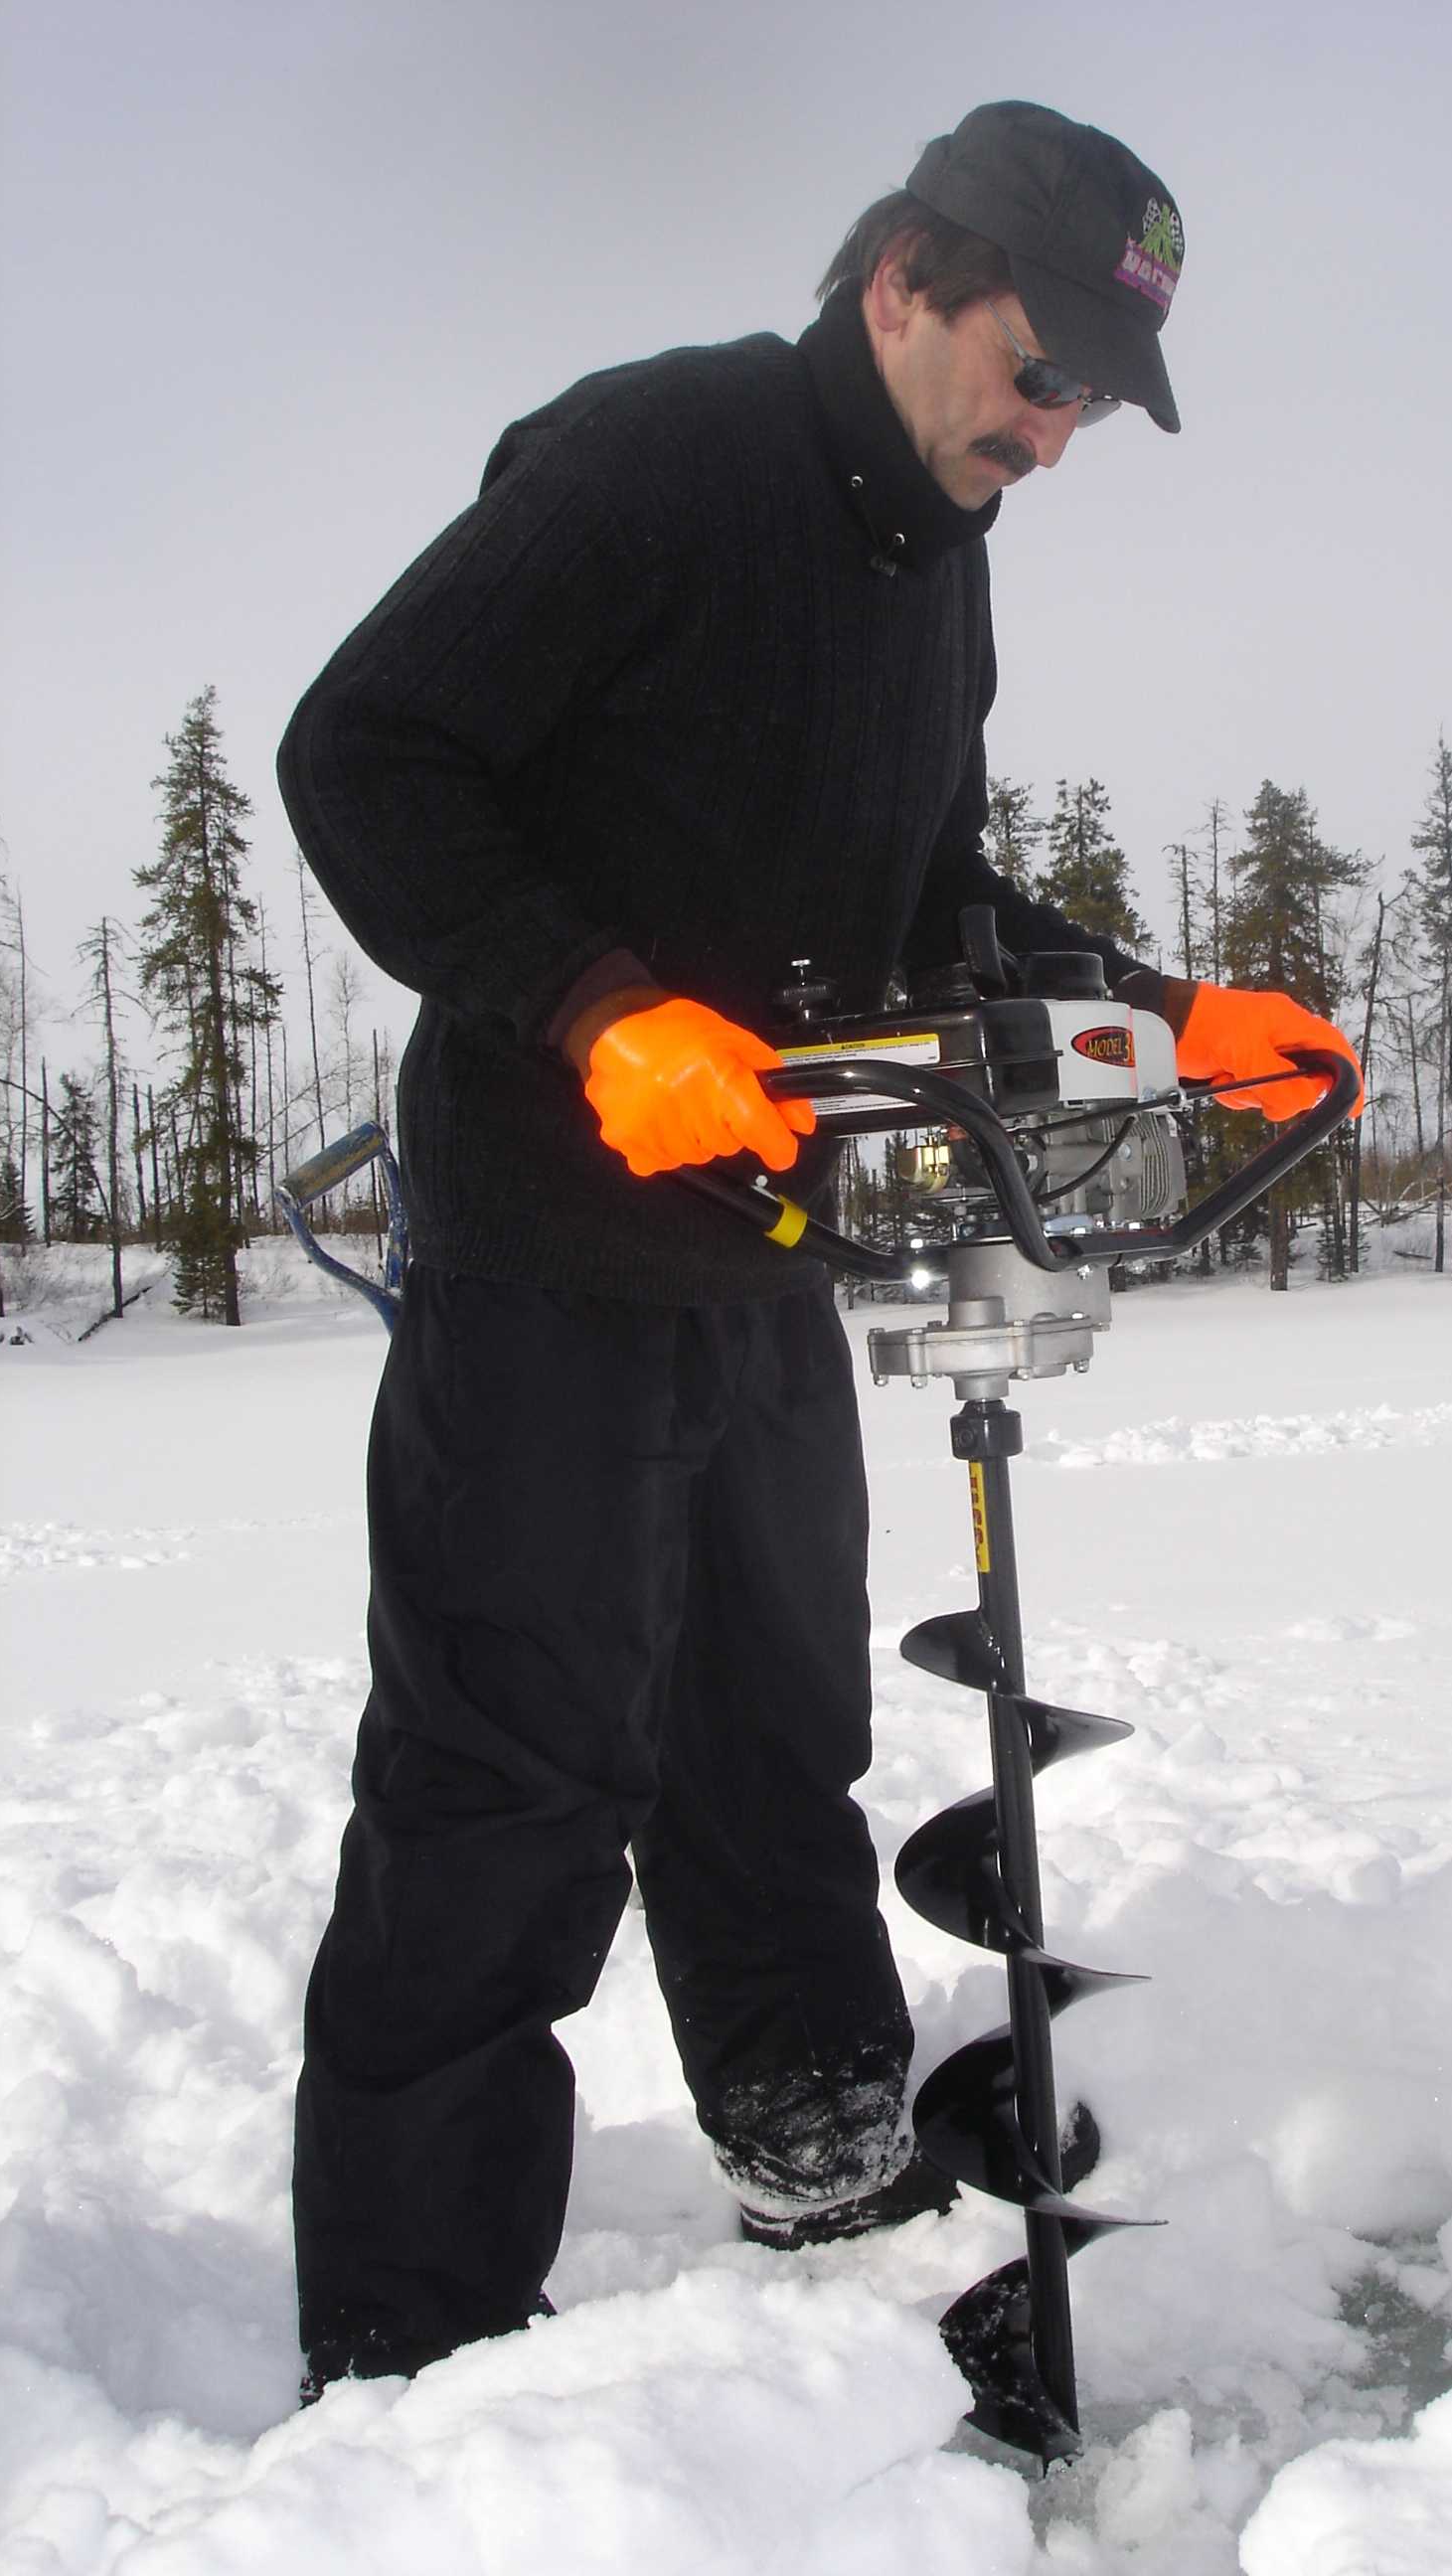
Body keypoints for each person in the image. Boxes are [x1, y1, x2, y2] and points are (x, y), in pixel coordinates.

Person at [278, 97, 1359, 2395]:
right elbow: (364, 755)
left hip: (762, 1255)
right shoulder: (651, 462)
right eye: (1042, 370)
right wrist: (596, 1011)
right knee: (508, 1794)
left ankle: (825, 2164)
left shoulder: (934, 564)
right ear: (907, 283)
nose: (1058, 434)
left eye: (1094, 400)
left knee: (774, 1748)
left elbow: (935, 911)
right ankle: (412, 2358)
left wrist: (1179, 1019)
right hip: (549, 1263)